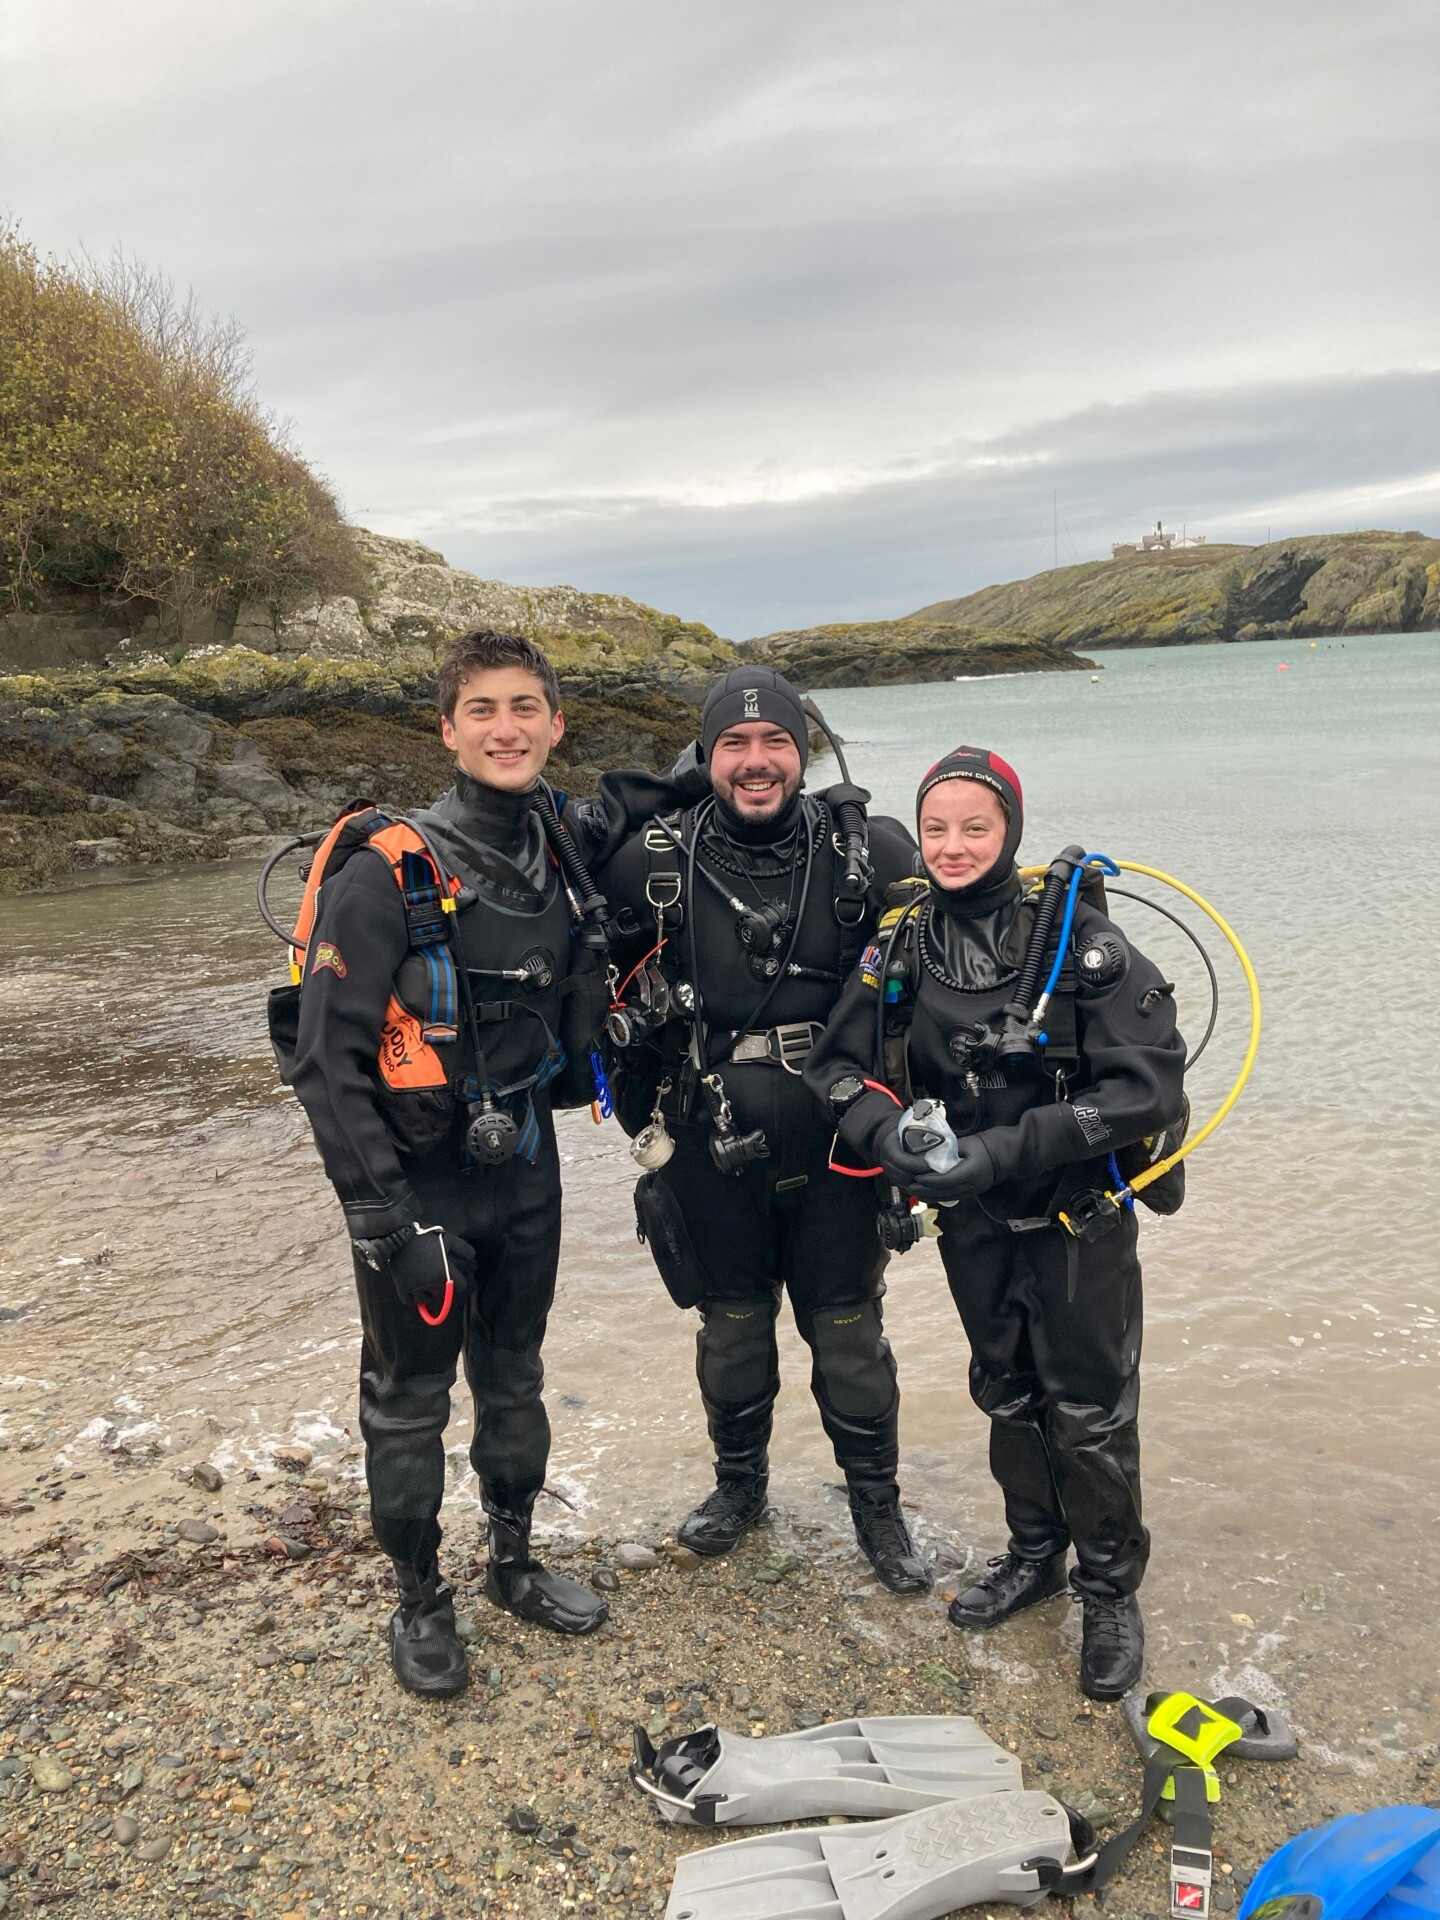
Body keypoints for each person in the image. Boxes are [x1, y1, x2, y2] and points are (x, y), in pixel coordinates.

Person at [286, 627, 697, 1697]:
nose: (506, 728)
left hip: (526, 1166)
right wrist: (380, 1218)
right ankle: (422, 1600)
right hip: (416, 1183)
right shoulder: (388, 875)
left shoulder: (560, 842)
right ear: (448, 730)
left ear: (556, 725)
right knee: (409, 1399)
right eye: (483, 710)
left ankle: (514, 1561)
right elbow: (326, 1065)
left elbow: (643, 805)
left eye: (525, 708)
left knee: (515, 1380)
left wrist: (725, 759)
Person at [804, 745, 1186, 1698]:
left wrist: (1009, 1150)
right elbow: (833, 1067)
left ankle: (1108, 1594)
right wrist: (884, 1129)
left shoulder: (1078, 943)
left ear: (1009, 828)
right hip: (970, 1222)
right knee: (1005, 1390)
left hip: (1076, 1219)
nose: (952, 845)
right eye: (935, 827)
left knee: (1090, 1412)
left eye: (975, 826)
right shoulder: (900, 942)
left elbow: (1148, 1087)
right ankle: (1033, 1556)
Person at [595, 665, 932, 1594]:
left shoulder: (875, 850)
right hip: (709, 1143)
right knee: (733, 1326)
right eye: (733, 745)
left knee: (850, 1331)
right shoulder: (647, 864)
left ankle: (878, 1508)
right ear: (705, 756)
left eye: (775, 742)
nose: (755, 762)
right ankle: (739, 1491)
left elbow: (960, 960)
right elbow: (571, 971)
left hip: (842, 1143)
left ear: (804, 750)